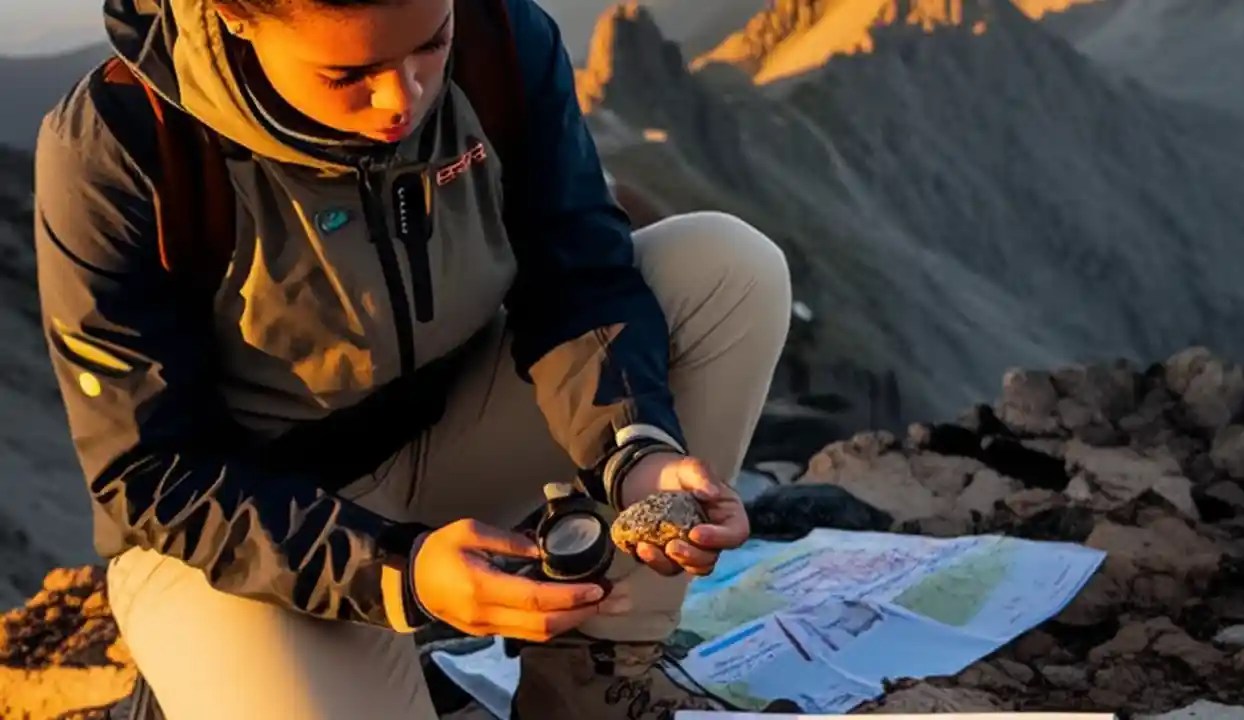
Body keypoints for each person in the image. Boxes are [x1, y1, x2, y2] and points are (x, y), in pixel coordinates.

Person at [32, 0, 791, 717]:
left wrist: (637, 452)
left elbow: (578, 278)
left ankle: (596, 680)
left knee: (725, 270)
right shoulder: (122, 146)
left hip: (451, 442)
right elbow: (153, 472)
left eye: (432, 42)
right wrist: (399, 570)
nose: (404, 97)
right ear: (235, 16)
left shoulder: (501, 40)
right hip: (250, 540)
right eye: (348, 75)